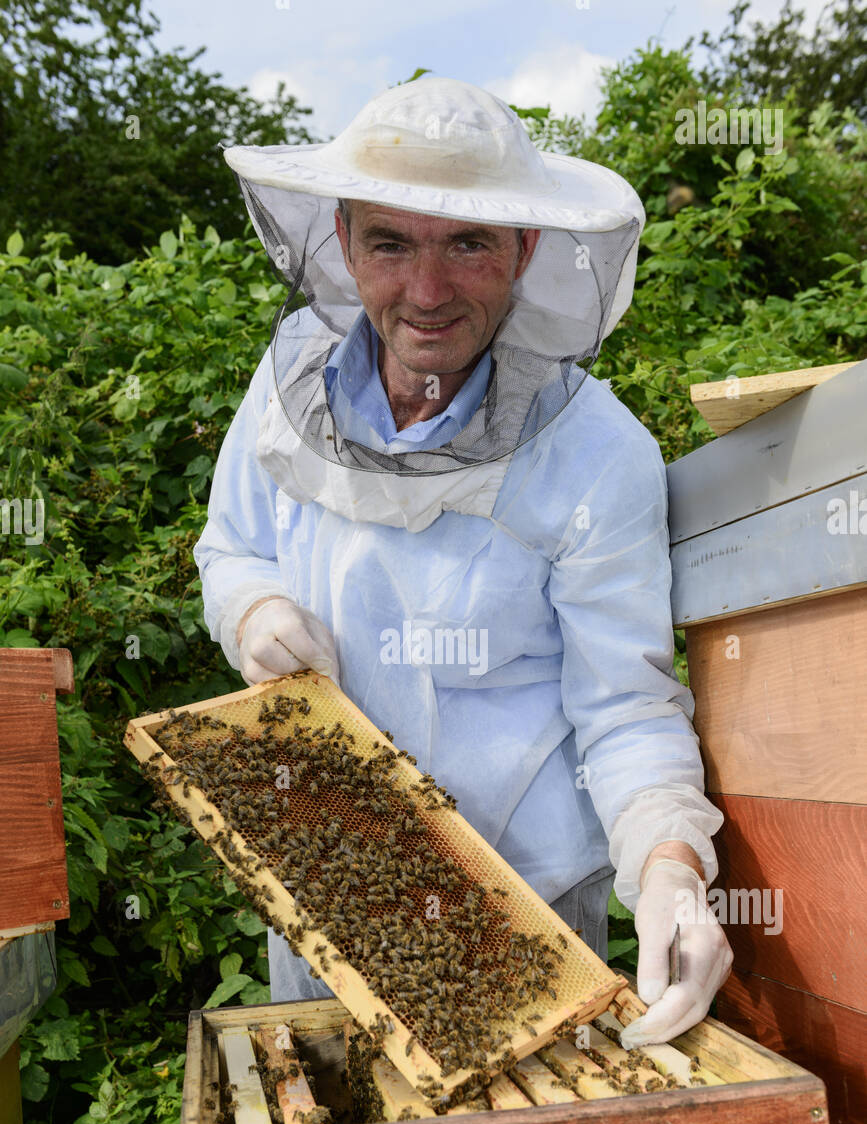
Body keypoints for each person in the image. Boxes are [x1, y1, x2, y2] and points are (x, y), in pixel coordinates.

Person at [194, 75, 732, 1047]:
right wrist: (252, 610)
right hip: (324, 888)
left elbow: (626, 706)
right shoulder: (287, 386)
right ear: (346, 239)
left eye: (468, 244)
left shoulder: (598, 455)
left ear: (525, 250)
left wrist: (670, 872)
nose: (427, 291)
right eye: (392, 243)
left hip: (521, 917)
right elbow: (230, 546)